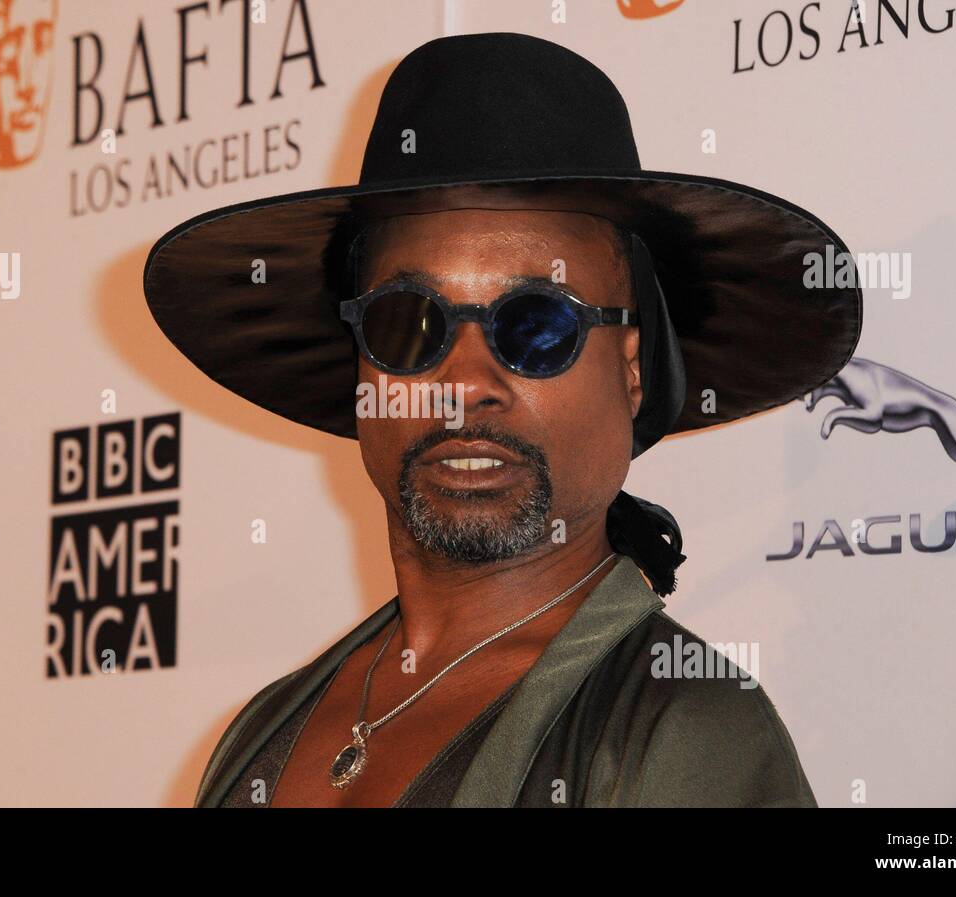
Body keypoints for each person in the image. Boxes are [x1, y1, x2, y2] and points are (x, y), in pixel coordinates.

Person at [142, 32, 861, 807]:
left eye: (538, 325)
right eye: (408, 324)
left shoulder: (684, 735)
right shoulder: (261, 731)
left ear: (630, 367)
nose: (466, 383)